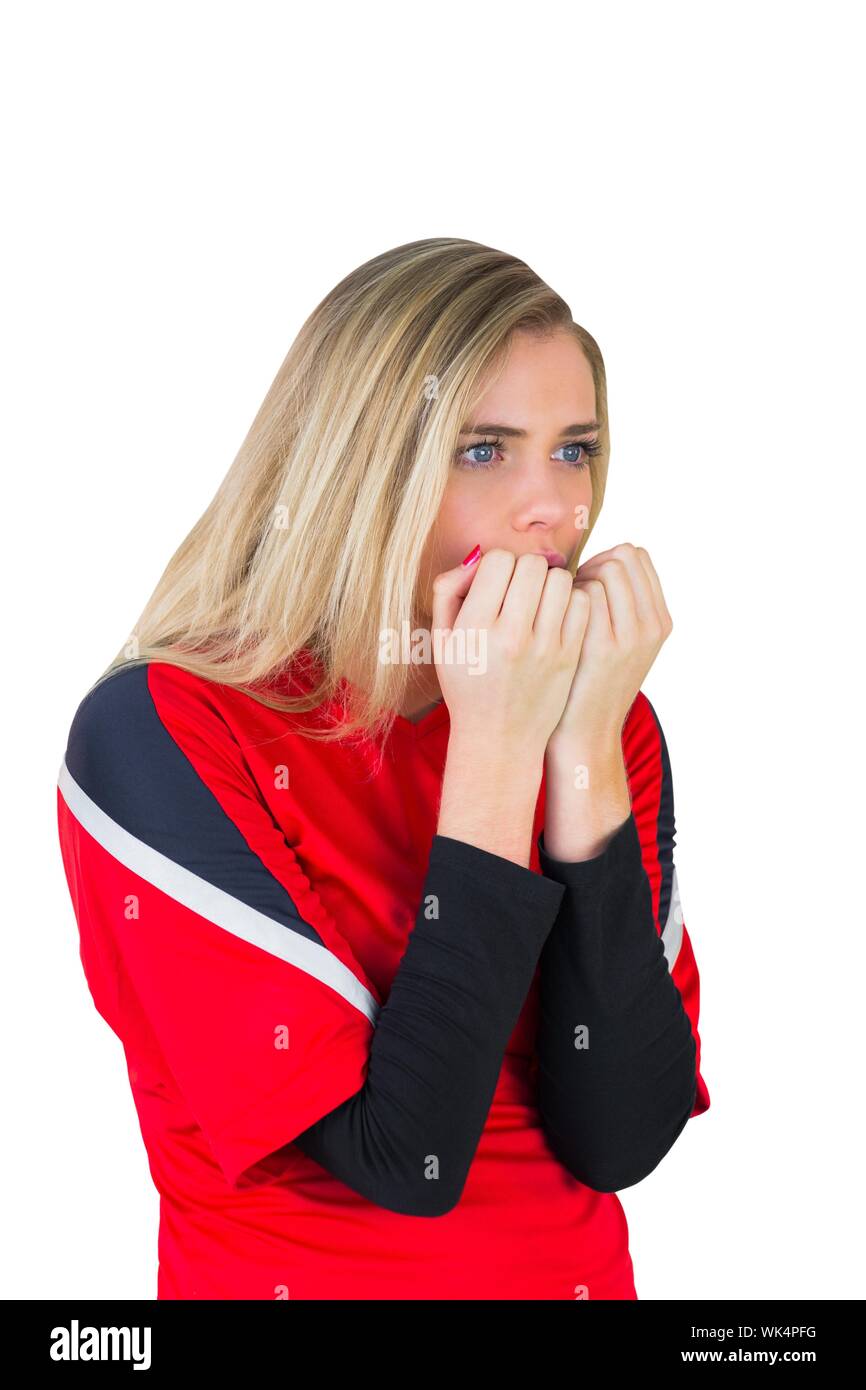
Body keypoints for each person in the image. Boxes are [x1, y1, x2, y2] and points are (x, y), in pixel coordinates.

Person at [56, 236, 710, 1300]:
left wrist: (582, 748)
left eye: (573, 448)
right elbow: (404, 1157)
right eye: (483, 449)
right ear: (360, 470)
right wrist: (498, 747)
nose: (551, 506)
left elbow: (621, 1136)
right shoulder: (161, 729)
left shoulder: (600, 716)